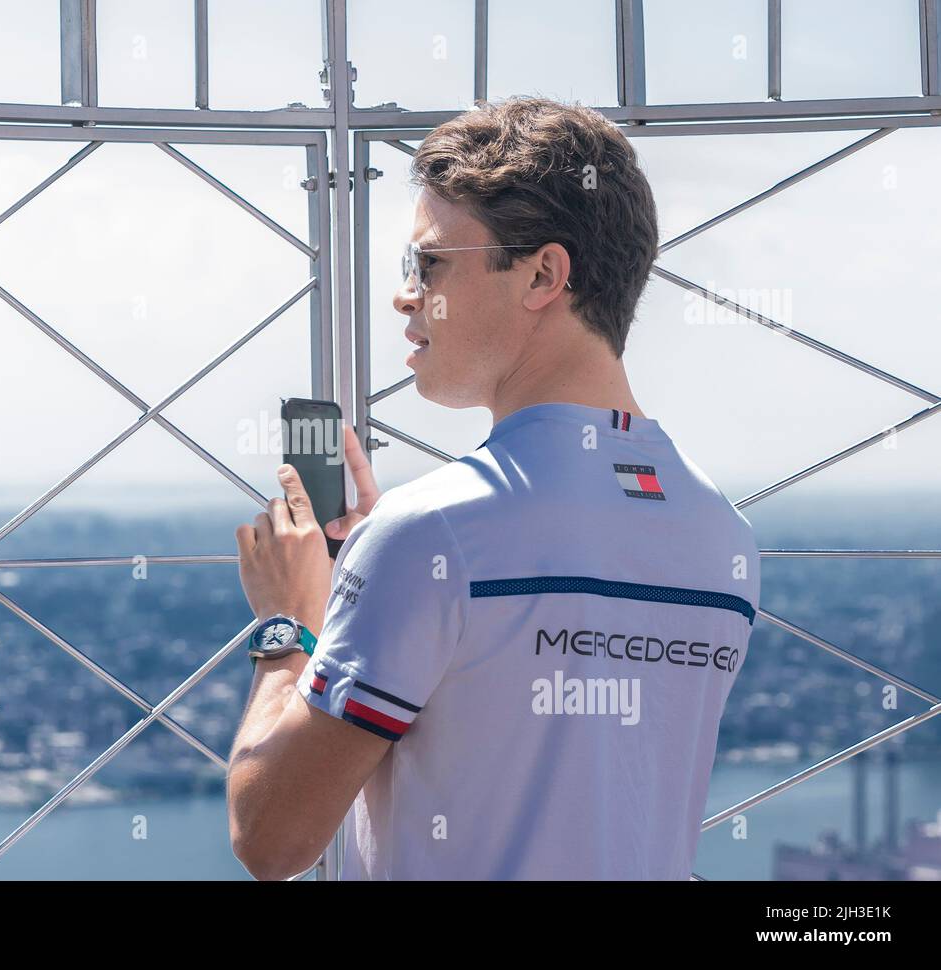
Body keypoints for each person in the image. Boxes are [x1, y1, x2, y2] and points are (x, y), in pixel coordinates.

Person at [227, 96, 760, 880]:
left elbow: (270, 838)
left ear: (543, 274)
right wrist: (371, 588)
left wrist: (292, 626)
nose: (406, 296)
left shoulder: (429, 535)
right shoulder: (721, 534)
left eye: (430, 263)